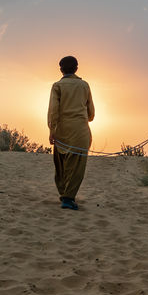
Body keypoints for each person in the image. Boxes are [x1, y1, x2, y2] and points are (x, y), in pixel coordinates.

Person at [47, 56, 95, 210]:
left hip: (61, 132)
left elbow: (53, 111)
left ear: (61, 69)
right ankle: (68, 198)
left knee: (61, 166)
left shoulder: (57, 86)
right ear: (77, 68)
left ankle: (65, 196)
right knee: (77, 167)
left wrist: (51, 130)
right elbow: (91, 113)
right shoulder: (84, 85)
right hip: (80, 132)